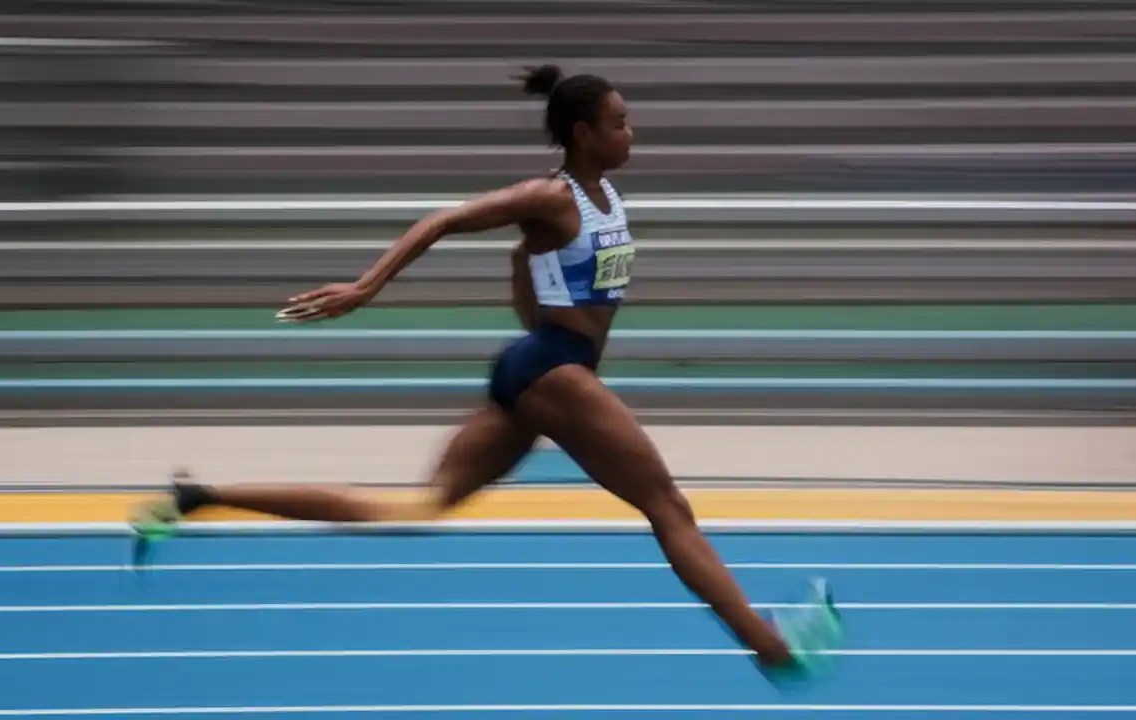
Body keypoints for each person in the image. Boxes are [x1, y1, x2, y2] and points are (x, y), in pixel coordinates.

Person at [130, 64, 844, 683]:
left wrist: (531, 293)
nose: (633, 134)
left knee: (414, 510)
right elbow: (445, 219)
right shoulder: (552, 196)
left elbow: (531, 275)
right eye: (621, 124)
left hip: (537, 367)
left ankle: (200, 495)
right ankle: (769, 647)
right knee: (667, 509)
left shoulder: (605, 200)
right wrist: (368, 286)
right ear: (583, 133)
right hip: (553, 373)